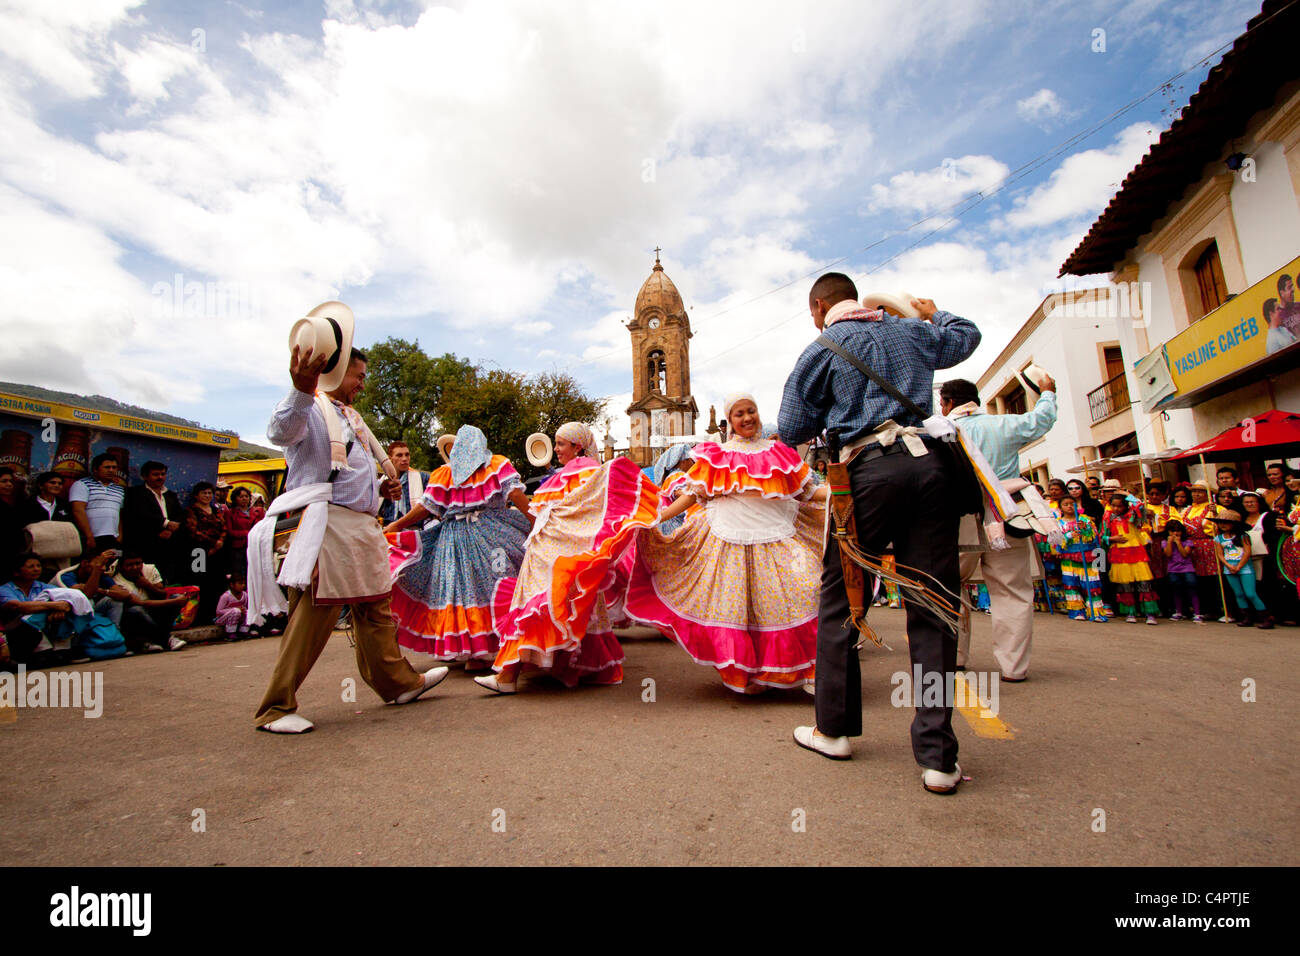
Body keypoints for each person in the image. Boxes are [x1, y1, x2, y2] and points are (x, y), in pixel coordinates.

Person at [778, 274, 980, 795]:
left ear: (819, 305)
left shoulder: (820, 347)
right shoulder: (910, 331)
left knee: (841, 600)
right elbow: (967, 335)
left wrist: (839, 406)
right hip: (931, 470)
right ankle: (938, 759)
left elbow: (793, 425)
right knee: (933, 604)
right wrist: (930, 311)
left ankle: (834, 730)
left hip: (867, 474)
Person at [249, 316, 450, 734]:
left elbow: (348, 473)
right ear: (338, 372)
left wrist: (380, 488)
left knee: (375, 607)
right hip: (328, 526)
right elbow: (279, 431)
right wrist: (300, 390)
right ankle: (275, 707)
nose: (362, 383)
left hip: (360, 525)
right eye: (359, 376)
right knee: (316, 612)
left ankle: (399, 684)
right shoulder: (312, 407)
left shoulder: (350, 417)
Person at [625, 394, 828, 694]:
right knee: (742, 612)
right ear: (730, 421)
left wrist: (843, 490)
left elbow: (808, 492)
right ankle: (751, 675)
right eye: (739, 414)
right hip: (729, 541)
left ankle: (808, 672)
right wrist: (659, 516)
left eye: (751, 411)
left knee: (804, 595)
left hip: (777, 537)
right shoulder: (717, 455)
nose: (747, 418)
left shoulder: (780, 454)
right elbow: (693, 495)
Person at [477, 422, 657, 695]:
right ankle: (576, 667)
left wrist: (530, 509)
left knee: (539, 604)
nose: (557, 449)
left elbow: (569, 516)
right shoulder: (581, 473)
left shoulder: (582, 473)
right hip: (559, 551)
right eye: (557, 443)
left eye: (561, 444)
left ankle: (507, 675)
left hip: (555, 553)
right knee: (566, 605)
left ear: (577, 447)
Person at [383, 424, 533, 670]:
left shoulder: (445, 474)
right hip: (492, 534)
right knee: (498, 584)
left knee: (461, 591)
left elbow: (426, 507)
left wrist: (397, 525)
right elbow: (516, 495)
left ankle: (473, 652)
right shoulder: (495, 464)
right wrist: (534, 522)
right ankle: (500, 643)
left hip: (452, 541)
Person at [940, 376, 1057, 681]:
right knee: (1011, 591)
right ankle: (1013, 668)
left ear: (949, 402)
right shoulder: (1005, 424)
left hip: (957, 518)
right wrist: (1047, 391)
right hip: (1005, 515)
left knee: (949, 587)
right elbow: (1043, 419)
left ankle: (954, 657)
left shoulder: (940, 432)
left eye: (942, 402)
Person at [0, 552, 98, 666]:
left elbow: (63, 598)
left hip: (41, 628)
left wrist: (60, 609)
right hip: (16, 632)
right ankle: (44, 652)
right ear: (16, 572)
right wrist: (53, 606)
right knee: (39, 612)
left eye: (38, 566)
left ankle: (62, 650)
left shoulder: (42, 586)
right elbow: (18, 606)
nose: (36, 569)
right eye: (31, 567)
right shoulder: (5, 589)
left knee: (68, 605)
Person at [122, 461, 185, 582]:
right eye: (156, 474)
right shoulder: (135, 493)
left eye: (163, 474)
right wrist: (165, 524)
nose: (160, 477)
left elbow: (180, 515)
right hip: (146, 544)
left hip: (169, 545)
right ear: (145, 476)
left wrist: (170, 531)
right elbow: (139, 515)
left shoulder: (170, 495)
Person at [1102, 492, 1159, 624]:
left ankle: (1149, 613)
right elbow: (1101, 536)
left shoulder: (1133, 516)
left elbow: (1139, 506)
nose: (1116, 509)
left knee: (1144, 584)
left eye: (1120, 506)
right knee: (1124, 585)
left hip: (1137, 552)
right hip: (1119, 554)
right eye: (1113, 506)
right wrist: (1111, 538)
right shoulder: (1108, 519)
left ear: (1125, 506)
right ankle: (1130, 612)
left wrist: (1127, 494)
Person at [114, 551, 190, 650]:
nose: (135, 567)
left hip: (153, 609)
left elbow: (162, 593)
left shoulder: (149, 569)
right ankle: (166, 638)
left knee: (174, 598)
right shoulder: (116, 580)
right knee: (137, 611)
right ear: (121, 566)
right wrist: (175, 601)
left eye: (138, 564)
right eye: (130, 565)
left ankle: (151, 640)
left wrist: (148, 586)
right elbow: (141, 604)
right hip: (132, 616)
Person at [1211, 509, 1273, 628]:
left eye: (1226, 522)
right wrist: (1229, 566)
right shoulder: (1218, 538)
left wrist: (1239, 566)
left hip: (1245, 568)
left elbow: (1247, 552)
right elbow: (1220, 554)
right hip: (1229, 568)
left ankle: (1266, 618)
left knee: (1250, 593)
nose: (1222, 525)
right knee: (1238, 593)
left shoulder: (1243, 536)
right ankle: (1246, 617)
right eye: (1220, 522)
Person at [1051, 496, 1106, 621]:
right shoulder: (1058, 522)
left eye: (1072, 503)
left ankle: (1095, 611)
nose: (1070, 506)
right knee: (1071, 584)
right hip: (1069, 558)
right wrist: (1069, 535)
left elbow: (1095, 536)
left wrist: (1085, 529)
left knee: (1092, 583)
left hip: (1087, 555)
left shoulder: (1085, 519)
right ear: (1061, 507)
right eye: (1066, 504)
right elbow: (1056, 541)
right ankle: (1077, 610)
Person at [1180, 482, 1225, 621]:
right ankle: (1206, 609)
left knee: (1215, 578)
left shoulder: (1216, 508)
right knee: (1199, 580)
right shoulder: (1187, 510)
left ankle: (1222, 608)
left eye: (1200, 491)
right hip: (1192, 547)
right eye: (1194, 491)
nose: (1196, 494)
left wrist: (1216, 514)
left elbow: (1222, 526)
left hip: (1210, 545)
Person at [184, 481, 227, 624]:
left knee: (216, 582)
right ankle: (199, 617)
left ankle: (215, 614)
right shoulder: (192, 510)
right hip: (198, 551)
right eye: (204, 493)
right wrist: (212, 543)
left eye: (209, 493)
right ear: (197, 495)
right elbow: (193, 531)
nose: (207, 496)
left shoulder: (216, 510)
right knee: (199, 581)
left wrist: (219, 542)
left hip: (218, 552)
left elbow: (224, 527)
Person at [68, 454, 125, 551]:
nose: (111, 470)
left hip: (112, 538)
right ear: (95, 469)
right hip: (91, 538)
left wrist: (119, 537)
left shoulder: (119, 489)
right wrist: (89, 536)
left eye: (114, 467)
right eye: (107, 467)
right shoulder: (82, 484)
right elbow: (78, 510)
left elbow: (118, 513)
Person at [378, 440, 431, 524]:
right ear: (390, 458)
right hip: (387, 529)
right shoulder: (383, 484)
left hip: (415, 529)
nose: (404, 459)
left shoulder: (423, 478)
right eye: (399, 455)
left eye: (407, 455)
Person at [1163, 521, 1202, 622]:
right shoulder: (1164, 542)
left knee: (1192, 589)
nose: (1175, 534)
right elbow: (1168, 554)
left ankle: (1197, 613)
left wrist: (1179, 543)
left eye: (1178, 531)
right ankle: (1179, 612)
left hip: (1187, 569)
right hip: (1173, 569)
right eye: (1172, 531)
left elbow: (1185, 554)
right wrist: (1169, 543)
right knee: (1176, 590)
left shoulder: (1188, 542)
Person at [223, 487, 257, 577]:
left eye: (246, 496)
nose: (244, 498)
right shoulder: (230, 513)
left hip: (254, 545)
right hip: (237, 548)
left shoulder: (258, 511)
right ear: (235, 498)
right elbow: (230, 531)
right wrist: (247, 533)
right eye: (241, 496)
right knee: (238, 573)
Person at [215, 573, 251, 639]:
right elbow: (218, 611)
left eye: (244, 583)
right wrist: (234, 609)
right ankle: (230, 632)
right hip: (224, 619)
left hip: (238, 618)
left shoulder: (245, 595)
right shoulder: (226, 596)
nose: (243, 585)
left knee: (249, 611)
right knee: (236, 611)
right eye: (240, 583)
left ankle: (243, 630)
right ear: (232, 585)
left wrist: (243, 610)